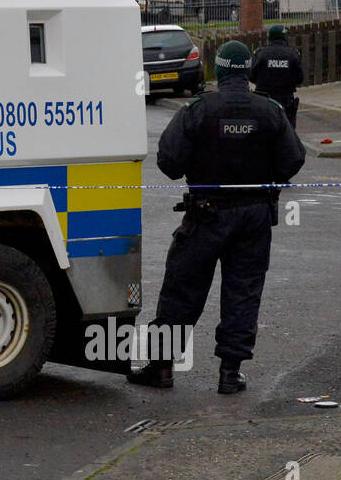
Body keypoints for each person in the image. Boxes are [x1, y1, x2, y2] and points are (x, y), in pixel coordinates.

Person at [128, 40, 305, 394]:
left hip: (206, 214)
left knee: (182, 289)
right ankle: (230, 373)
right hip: (254, 216)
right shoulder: (270, 110)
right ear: (247, 71)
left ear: (220, 70)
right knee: (243, 292)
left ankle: (162, 367)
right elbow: (293, 159)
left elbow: (168, 162)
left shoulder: (198, 110)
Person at [249, 24, 304, 128]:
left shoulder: (261, 54)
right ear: (284, 37)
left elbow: (251, 76)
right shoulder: (293, 54)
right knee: (288, 132)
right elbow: (300, 79)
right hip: (286, 101)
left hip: (264, 101)